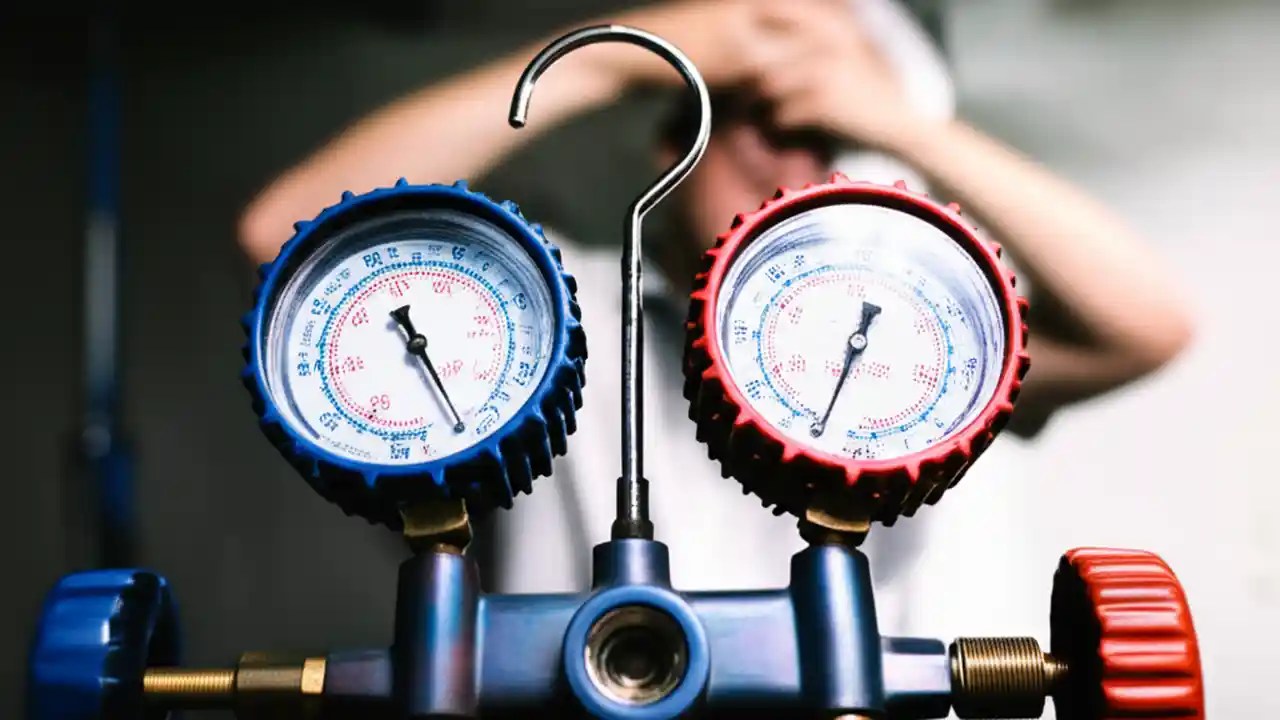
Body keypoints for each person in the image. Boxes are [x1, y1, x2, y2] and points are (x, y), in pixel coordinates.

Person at [237, 0, 1193, 637]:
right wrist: (623, 53)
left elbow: (1145, 325)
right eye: (751, 116)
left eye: (832, 135)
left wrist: (898, 120)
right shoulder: (553, 312)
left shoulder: (934, 336)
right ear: (672, 148)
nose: (791, 161)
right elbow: (288, 236)